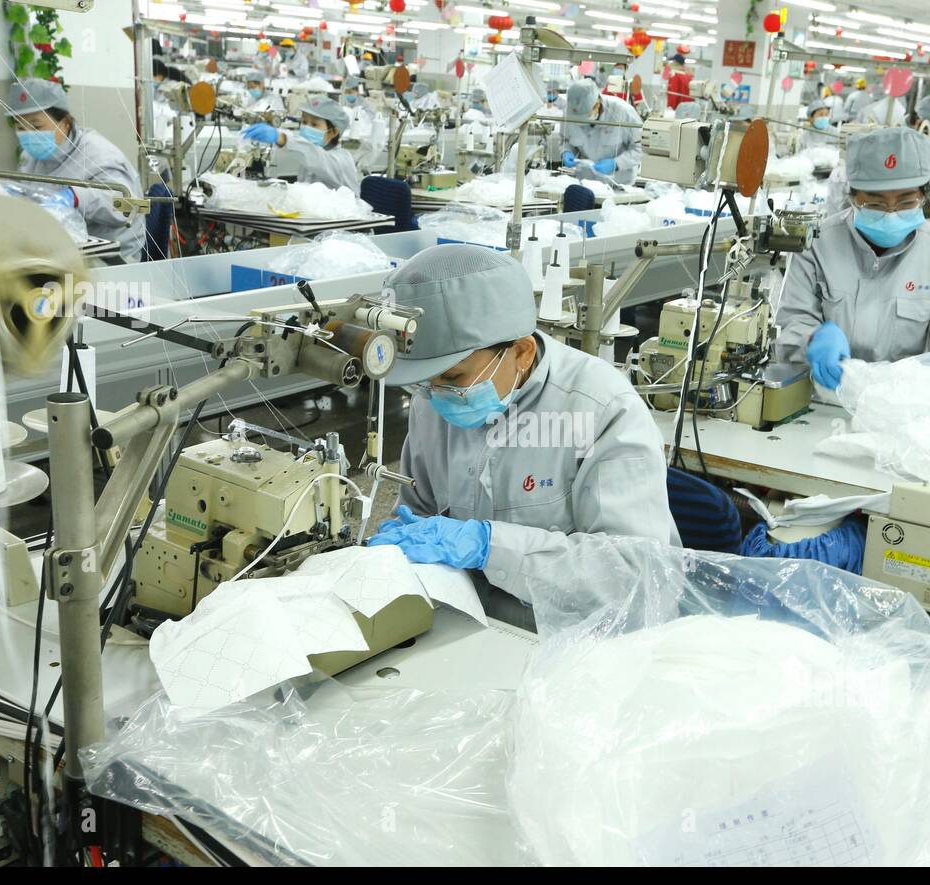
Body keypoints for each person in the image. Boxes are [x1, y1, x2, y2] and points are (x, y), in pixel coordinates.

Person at [367, 245, 679, 623]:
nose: (436, 394)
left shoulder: (603, 410)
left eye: (454, 378)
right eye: (424, 381)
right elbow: (418, 516)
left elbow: (631, 574)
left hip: (577, 643)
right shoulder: (431, 401)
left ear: (522, 352)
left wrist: (489, 546)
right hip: (469, 629)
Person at [774, 127, 930, 390]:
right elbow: (791, 324)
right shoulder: (815, 243)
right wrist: (812, 339)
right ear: (852, 196)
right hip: (821, 399)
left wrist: (909, 384)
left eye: (906, 203)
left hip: (898, 405)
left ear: (923, 196)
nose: (890, 214)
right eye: (875, 205)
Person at [8, 78, 145, 261]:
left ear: (64, 123)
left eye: (36, 126)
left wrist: (77, 198)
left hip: (109, 259)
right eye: (20, 128)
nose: (28, 135)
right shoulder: (30, 157)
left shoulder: (99, 154)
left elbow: (128, 206)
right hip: (56, 249)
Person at [241, 95, 360, 193]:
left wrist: (281, 137)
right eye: (304, 122)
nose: (306, 128)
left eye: (314, 125)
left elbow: (315, 156)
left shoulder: (341, 160)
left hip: (343, 218)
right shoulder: (310, 153)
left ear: (333, 132)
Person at [560, 78, 642, 185]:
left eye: (587, 115)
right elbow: (564, 139)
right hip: (585, 181)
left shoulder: (623, 112)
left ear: (597, 103)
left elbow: (640, 148)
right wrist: (566, 151)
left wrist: (616, 163)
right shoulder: (570, 113)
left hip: (618, 182)